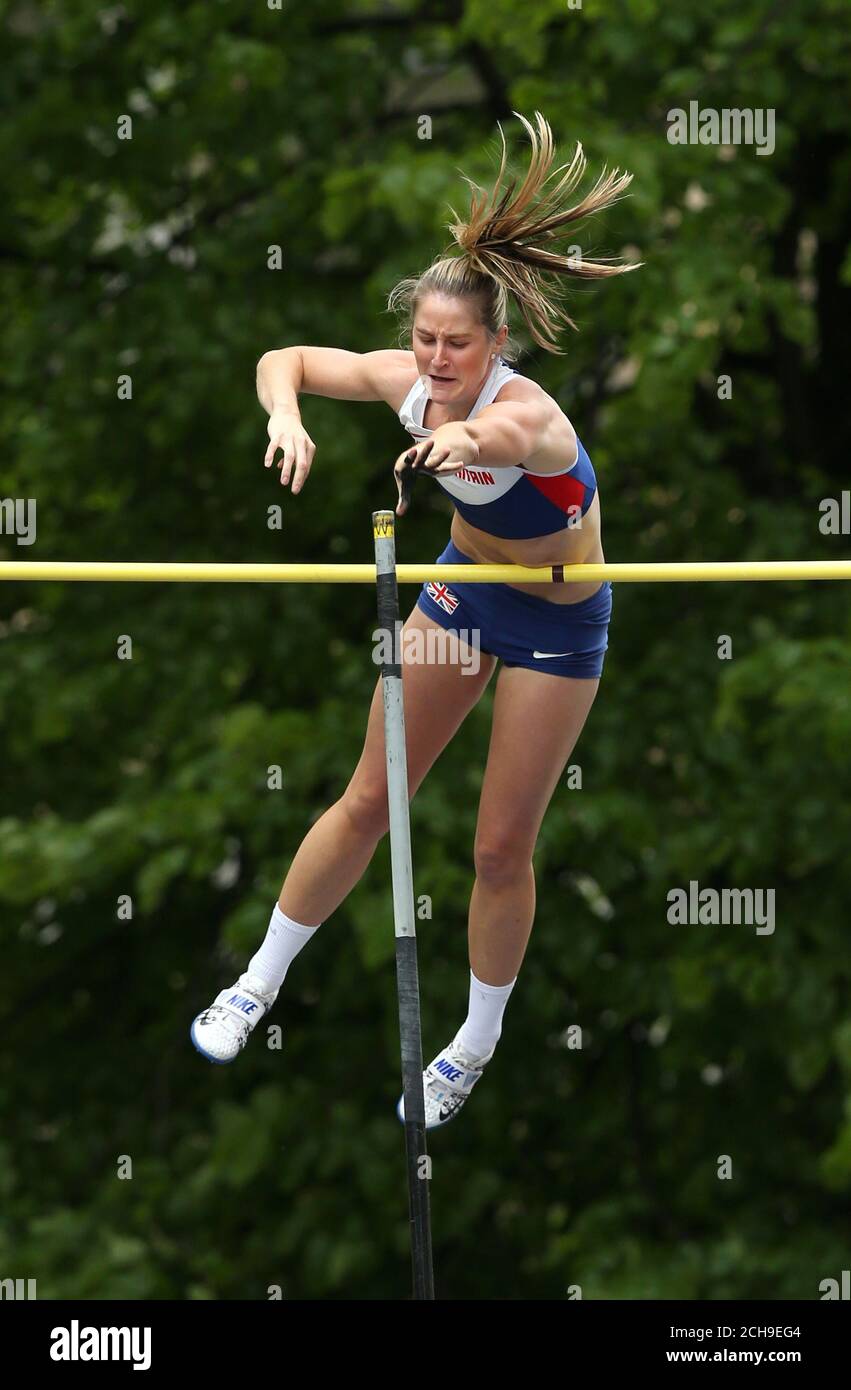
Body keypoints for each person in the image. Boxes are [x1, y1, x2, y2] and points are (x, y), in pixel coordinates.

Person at [191, 111, 641, 1129]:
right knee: (367, 799)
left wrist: (458, 443)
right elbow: (285, 357)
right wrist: (284, 413)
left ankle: (471, 1045)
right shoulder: (406, 383)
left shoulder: (525, 413)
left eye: (456, 345)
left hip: (557, 627)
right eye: (422, 340)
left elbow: (494, 433)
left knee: (496, 847)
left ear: (496, 344)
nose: (433, 361)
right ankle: (255, 983)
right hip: (460, 589)